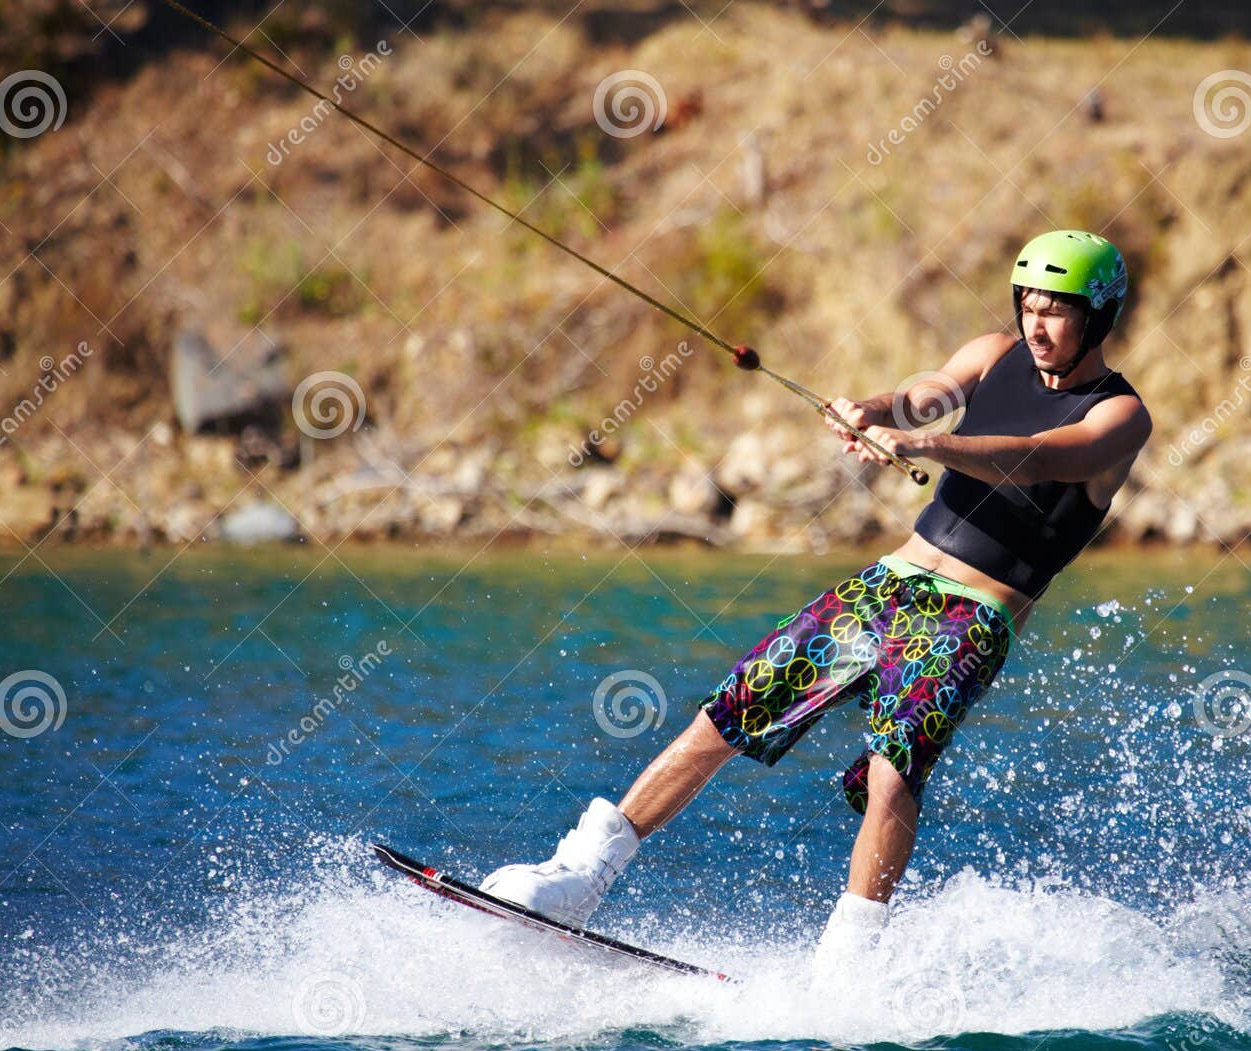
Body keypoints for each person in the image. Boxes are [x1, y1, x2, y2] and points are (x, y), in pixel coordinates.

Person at [481, 230, 1152, 966]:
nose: (1036, 324)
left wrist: (930, 446)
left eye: (1056, 310)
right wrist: (872, 410)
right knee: (727, 711)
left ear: (1099, 315)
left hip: (972, 617)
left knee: (894, 766)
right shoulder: (995, 353)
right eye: (1028, 304)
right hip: (889, 584)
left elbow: (1039, 459)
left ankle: (848, 957)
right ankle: (582, 873)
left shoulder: (1119, 415)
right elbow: (926, 393)